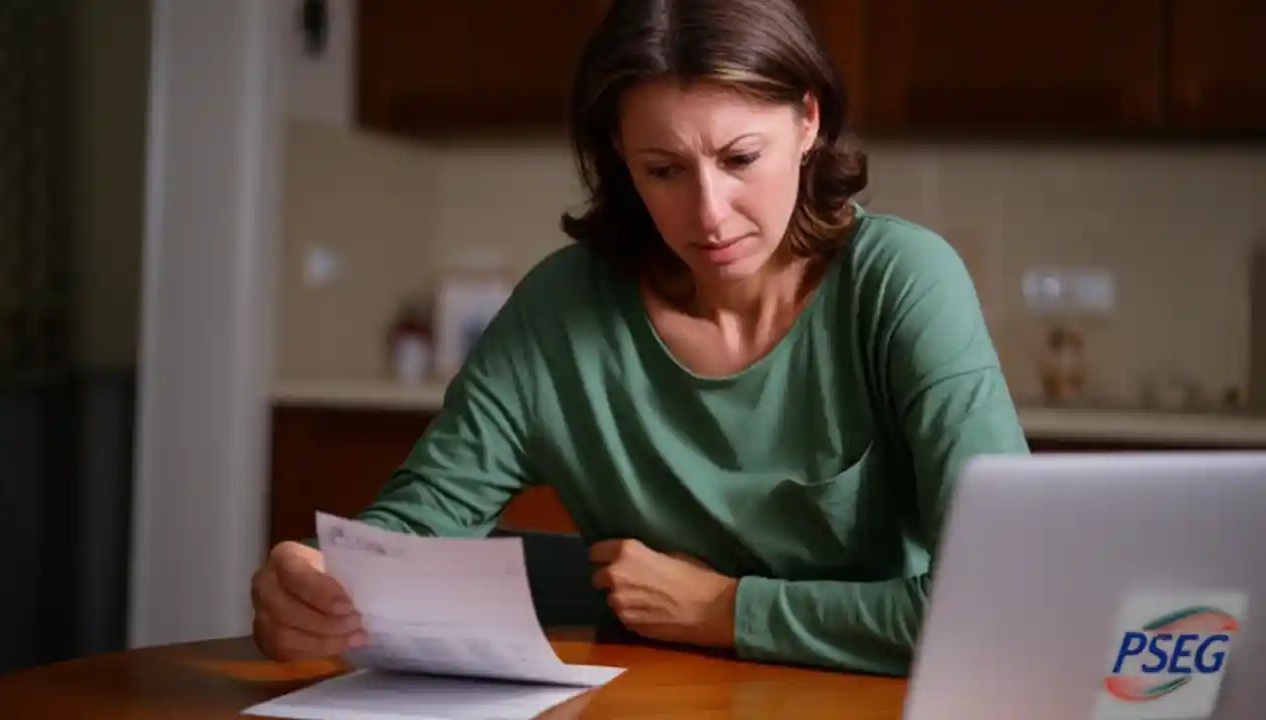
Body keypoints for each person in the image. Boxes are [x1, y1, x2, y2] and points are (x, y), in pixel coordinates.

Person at [250, 0, 1029, 675]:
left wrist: (726, 609)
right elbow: (417, 528)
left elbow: (1011, 597)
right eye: (664, 170)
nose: (711, 213)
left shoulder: (902, 282)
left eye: (740, 159)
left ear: (808, 120)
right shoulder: (560, 310)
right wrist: (320, 580)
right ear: (620, 158)